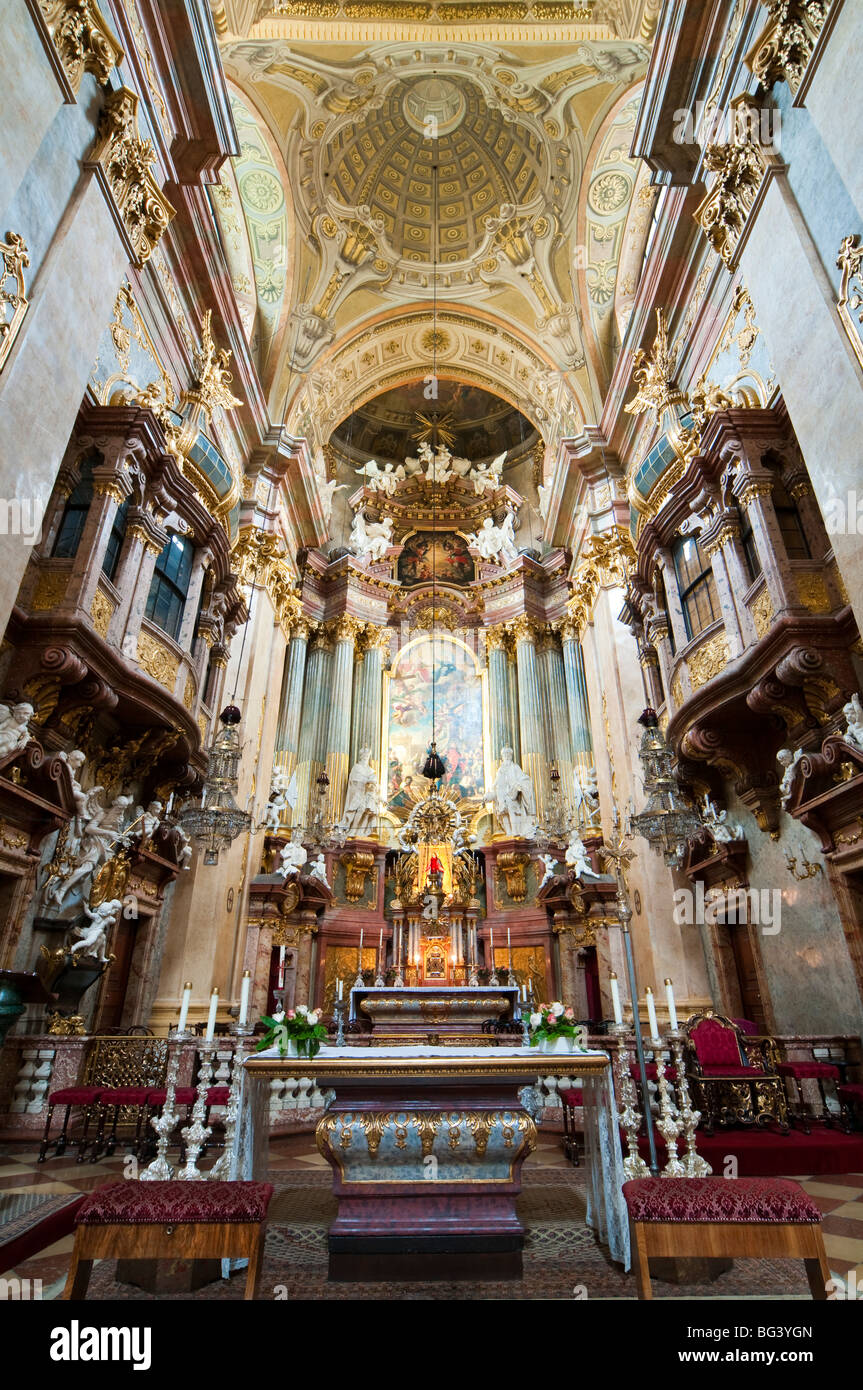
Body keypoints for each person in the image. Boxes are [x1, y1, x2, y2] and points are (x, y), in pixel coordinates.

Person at [492, 747, 537, 838]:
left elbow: (523, 777)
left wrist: (519, 784)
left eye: (508, 755)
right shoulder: (500, 769)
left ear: (511, 756)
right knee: (503, 811)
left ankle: (515, 831)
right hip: (502, 793)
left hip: (512, 793)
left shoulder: (515, 767)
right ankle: (508, 831)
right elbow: (496, 781)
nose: (507, 757)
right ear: (502, 757)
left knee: (511, 809)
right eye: (505, 755)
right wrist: (493, 788)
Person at [339, 748, 381, 837]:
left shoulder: (371, 771)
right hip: (358, 792)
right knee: (359, 809)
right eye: (364, 756)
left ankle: (360, 830)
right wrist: (364, 783)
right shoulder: (356, 767)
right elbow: (353, 781)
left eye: (367, 756)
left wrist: (372, 785)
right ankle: (353, 829)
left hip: (368, 794)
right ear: (361, 757)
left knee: (366, 811)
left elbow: (375, 785)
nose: (365, 757)